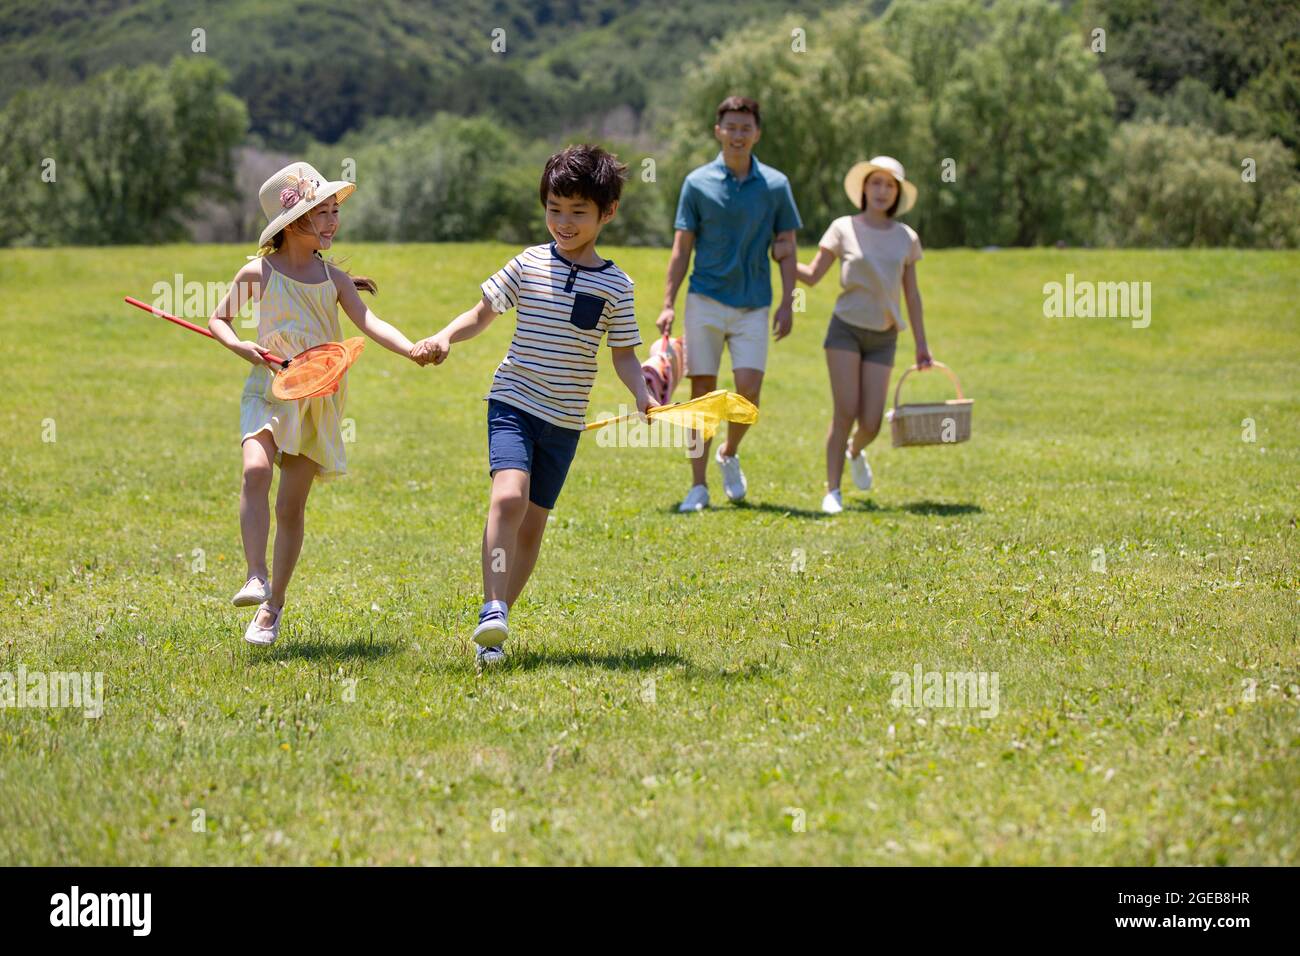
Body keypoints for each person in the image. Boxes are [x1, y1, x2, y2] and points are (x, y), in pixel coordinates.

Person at [413, 145, 652, 668]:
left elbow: (626, 357)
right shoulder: (528, 263)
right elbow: (482, 312)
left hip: (565, 422)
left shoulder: (617, 285)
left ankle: (493, 628)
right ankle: (492, 604)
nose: (562, 223)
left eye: (577, 212)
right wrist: (445, 336)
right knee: (508, 499)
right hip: (514, 400)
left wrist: (641, 392)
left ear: (607, 213)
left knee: (533, 525)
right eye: (554, 209)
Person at [207, 162, 432, 645]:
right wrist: (240, 347)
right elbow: (219, 319)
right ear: (292, 223)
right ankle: (254, 574)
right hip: (267, 389)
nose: (333, 222)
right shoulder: (258, 272)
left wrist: (411, 347)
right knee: (254, 471)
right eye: (321, 213)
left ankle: (273, 607)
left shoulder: (334, 280)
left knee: (291, 507)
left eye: (334, 212)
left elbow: (370, 324)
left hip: (317, 398)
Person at [656, 95, 802, 512]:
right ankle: (698, 486)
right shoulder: (696, 183)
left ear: (756, 133)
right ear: (718, 131)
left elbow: (787, 246)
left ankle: (728, 453)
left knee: (748, 393)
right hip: (704, 299)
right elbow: (681, 248)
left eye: (745, 127)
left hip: (754, 303)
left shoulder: (776, 186)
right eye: (730, 127)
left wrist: (789, 302)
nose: (738, 135)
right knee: (702, 392)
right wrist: (668, 302)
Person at [774, 156, 933, 514]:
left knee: (873, 422)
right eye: (875, 183)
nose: (881, 191)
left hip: (884, 336)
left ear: (897, 194)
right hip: (845, 330)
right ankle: (833, 490)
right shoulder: (842, 227)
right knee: (845, 411)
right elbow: (813, 275)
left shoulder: (907, 238)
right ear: (864, 188)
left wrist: (922, 345)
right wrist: (784, 256)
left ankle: (856, 451)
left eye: (889, 185)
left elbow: (912, 295)